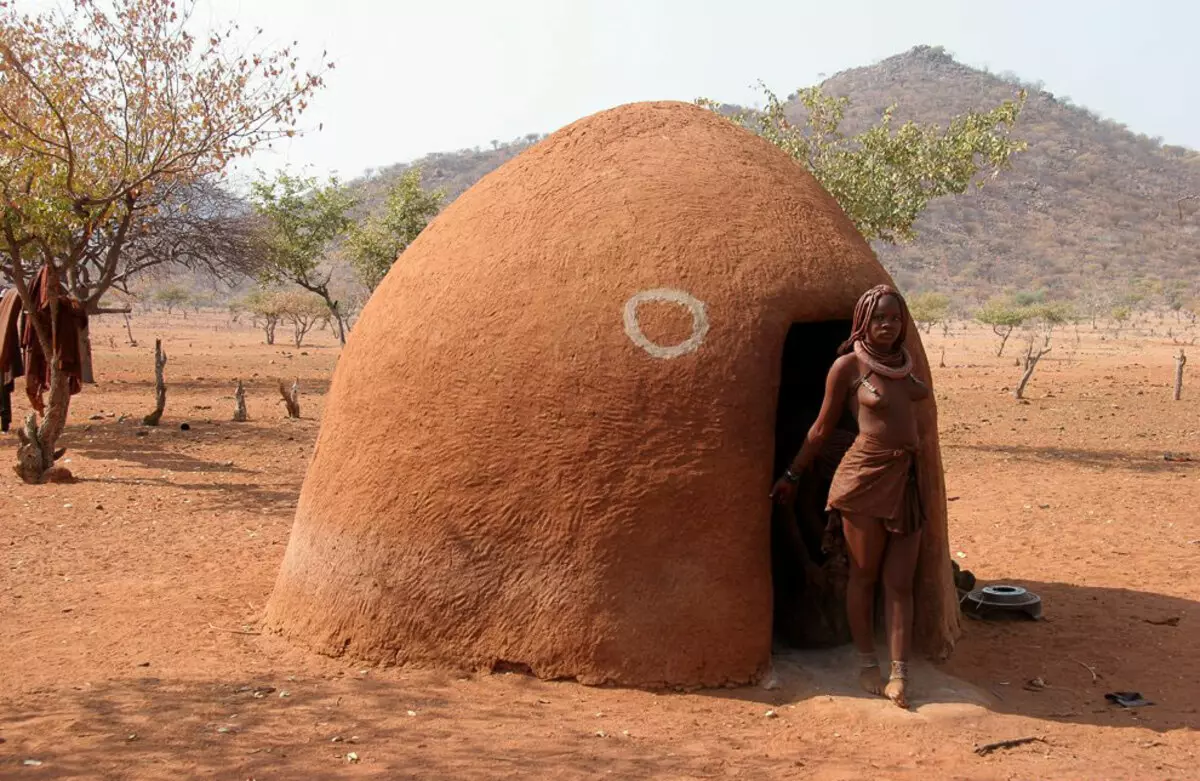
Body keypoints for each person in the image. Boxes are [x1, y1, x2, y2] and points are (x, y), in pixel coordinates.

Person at [770, 285, 931, 709]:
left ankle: (899, 672)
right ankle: (865, 663)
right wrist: (793, 473)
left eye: (895, 318)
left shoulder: (906, 368)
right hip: (863, 480)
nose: (887, 325)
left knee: (899, 583)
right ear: (862, 320)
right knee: (864, 575)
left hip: (906, 480)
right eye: (879, 317)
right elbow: (821, 430)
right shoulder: (848, 367)